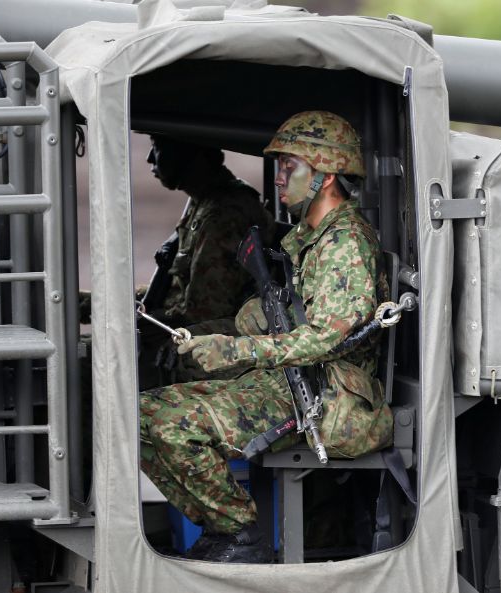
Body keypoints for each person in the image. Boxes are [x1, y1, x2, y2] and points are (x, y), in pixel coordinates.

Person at [139, 111, 394, 563]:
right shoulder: (310, 236)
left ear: (325, 176)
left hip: (323, 395)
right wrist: (236, 324)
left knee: (168, 424)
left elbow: (328, 338)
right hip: (291, 381)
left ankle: (238, 533)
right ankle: (222, 528)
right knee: (138, 416)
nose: (278, 178)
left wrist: (236, 350)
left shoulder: (345, 243)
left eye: (289, 167)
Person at [138, 135, 275, 387]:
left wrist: (151, 320)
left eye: (158, 147)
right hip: (189, 326)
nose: (149, 158)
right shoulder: (202, 201)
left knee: (88, 365)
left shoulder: (226, 212)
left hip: (213, 339)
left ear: (191, 153)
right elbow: (182, 290)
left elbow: (206, 309)